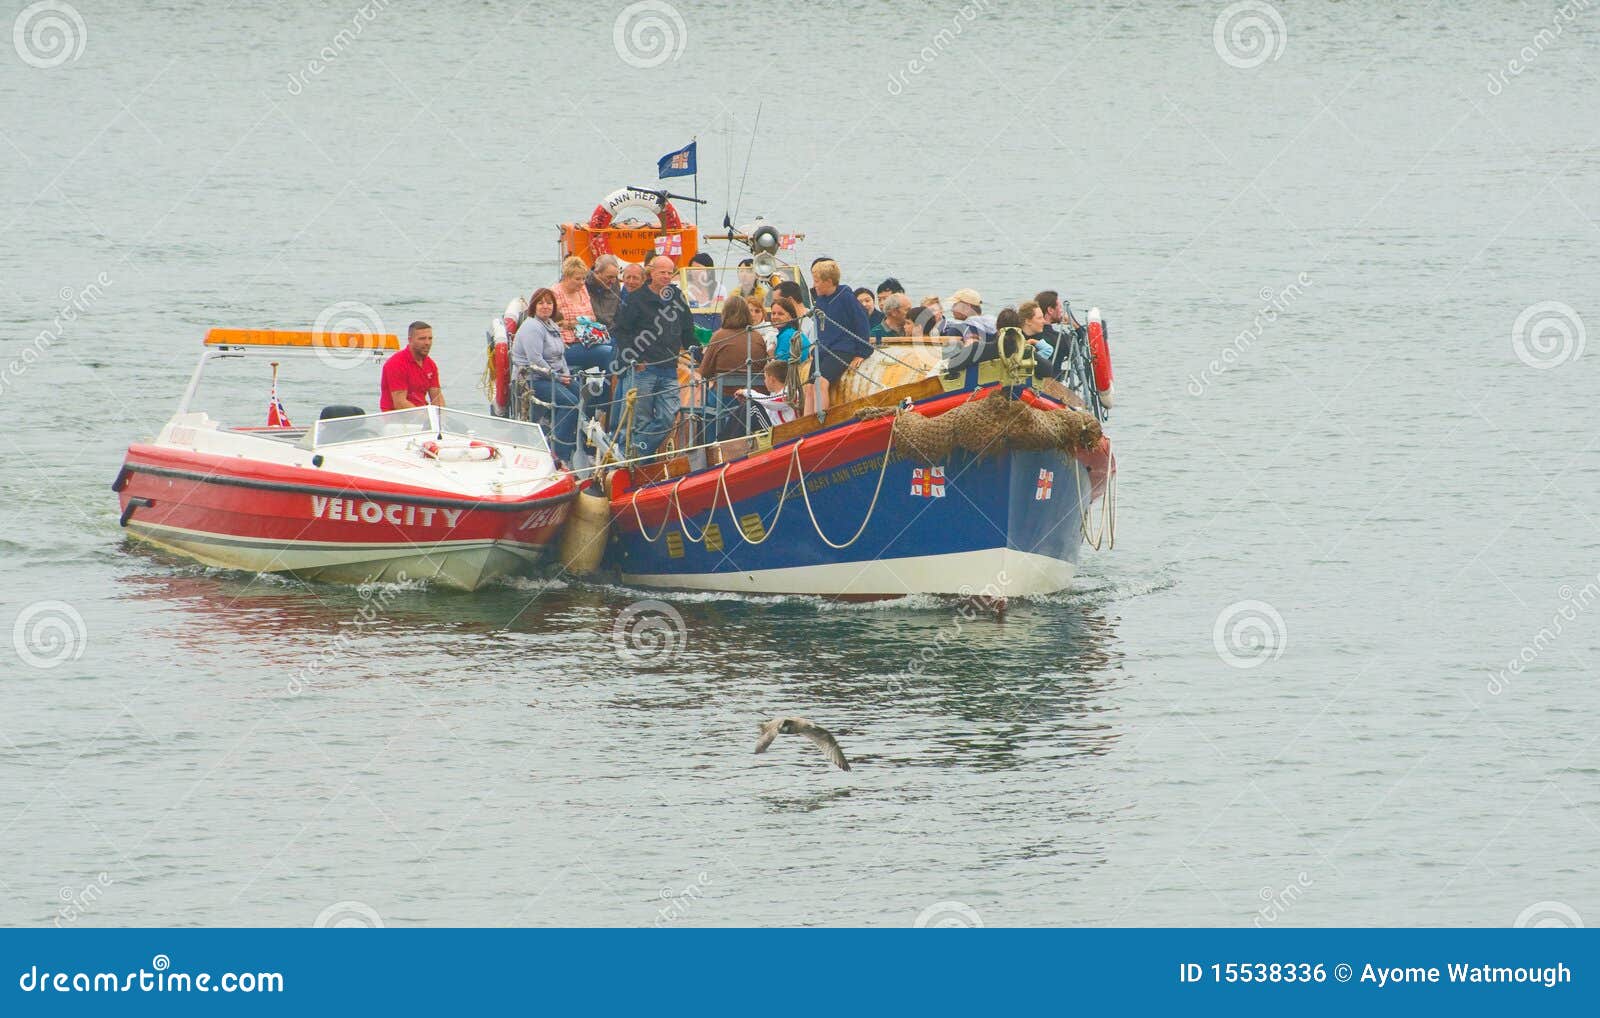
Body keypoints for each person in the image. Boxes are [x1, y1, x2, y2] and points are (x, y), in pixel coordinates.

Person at [612, 255, 698, 458]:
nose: (667, 276)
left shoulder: (676, 296)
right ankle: (632, 461)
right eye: (662, 272)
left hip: (669, 368)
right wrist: (634, 359)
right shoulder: (636, 299)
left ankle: (634, 454)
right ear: (651, 273)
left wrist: (697, 350)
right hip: (644, 368)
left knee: (668, 417)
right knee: (639, 419)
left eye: (670, 272)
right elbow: (622, 331)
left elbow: (687, 328)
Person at [512, 288, 583, 463]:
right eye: (541, 302)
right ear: (534, 306)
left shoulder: (551, 325)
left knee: (583, 394)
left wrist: (566, 375)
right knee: (571, 403)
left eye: (549, 303)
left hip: (553, 375)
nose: (545, 306)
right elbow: (535, 360)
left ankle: (576, 441)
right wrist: (559, 378)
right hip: (532, 379)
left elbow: (561, 355)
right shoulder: (532, 327)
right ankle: (558, 453)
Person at [806, 259, 872, 415]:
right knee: (809, 387)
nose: (814, 285)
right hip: (824, 348)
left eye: (817, 281)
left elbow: (861, 323)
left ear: (829, 281)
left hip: (842, 348)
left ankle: (820, 422)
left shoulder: (846, 297)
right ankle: (805, 425)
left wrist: (862, 352)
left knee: (821, 382)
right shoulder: (820, 300)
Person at [696, 296, 768, 435]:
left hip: (726, 395)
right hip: (753, 394)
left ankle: (711, 447)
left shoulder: (719, 336)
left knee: (706, 407)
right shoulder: (757, 337)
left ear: (725, 314)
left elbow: (704, 371)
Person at [551, 255, 613, 374]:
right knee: (609, 353)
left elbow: (593, 317)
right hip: (567, 346)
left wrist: (575, 322)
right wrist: (579, 322)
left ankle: (606, 389)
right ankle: (608, 391)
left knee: (617, 348)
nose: (581, 283)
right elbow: (555, 323)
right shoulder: (555, 293)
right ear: (566, 277)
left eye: (583, 279)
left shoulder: (582, 290)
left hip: (588, 340)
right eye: (577, 279)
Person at [380, 321, 444, 411]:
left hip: (423, 415)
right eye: (422, 339)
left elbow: (437, 398)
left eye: (430, 338)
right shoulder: (396, 363)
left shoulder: (430, 364)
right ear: (410, 340)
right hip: (396, 418)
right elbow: (400, 403)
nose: (427, 343)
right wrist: (426, 418)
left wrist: (441, 418)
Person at [734, 360, 799, 431]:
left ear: (772, 379)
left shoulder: (790, 393)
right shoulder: (776, 394)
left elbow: (768, 402)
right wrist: (748, 399)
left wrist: (746, 392)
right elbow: (767, 407)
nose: (764, 381)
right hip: (776, 429)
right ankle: (724, 439)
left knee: (752, 407)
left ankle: (736, 440)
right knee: (743, 407)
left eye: (765, 377)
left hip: (783, 433)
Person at [1017, 300, 1056, 377]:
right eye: (1039, 318)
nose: (1044, 321)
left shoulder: (1044, 340)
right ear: (1028, 321)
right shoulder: (1016, 340)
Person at [585, 254, 623, 329]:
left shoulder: (615, 283)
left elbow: (618, 313)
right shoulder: (582, 283)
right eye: (609, 277)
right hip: (589, 332)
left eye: (615, 277)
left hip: (611, 332)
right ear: (596, 273)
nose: (613, 281)